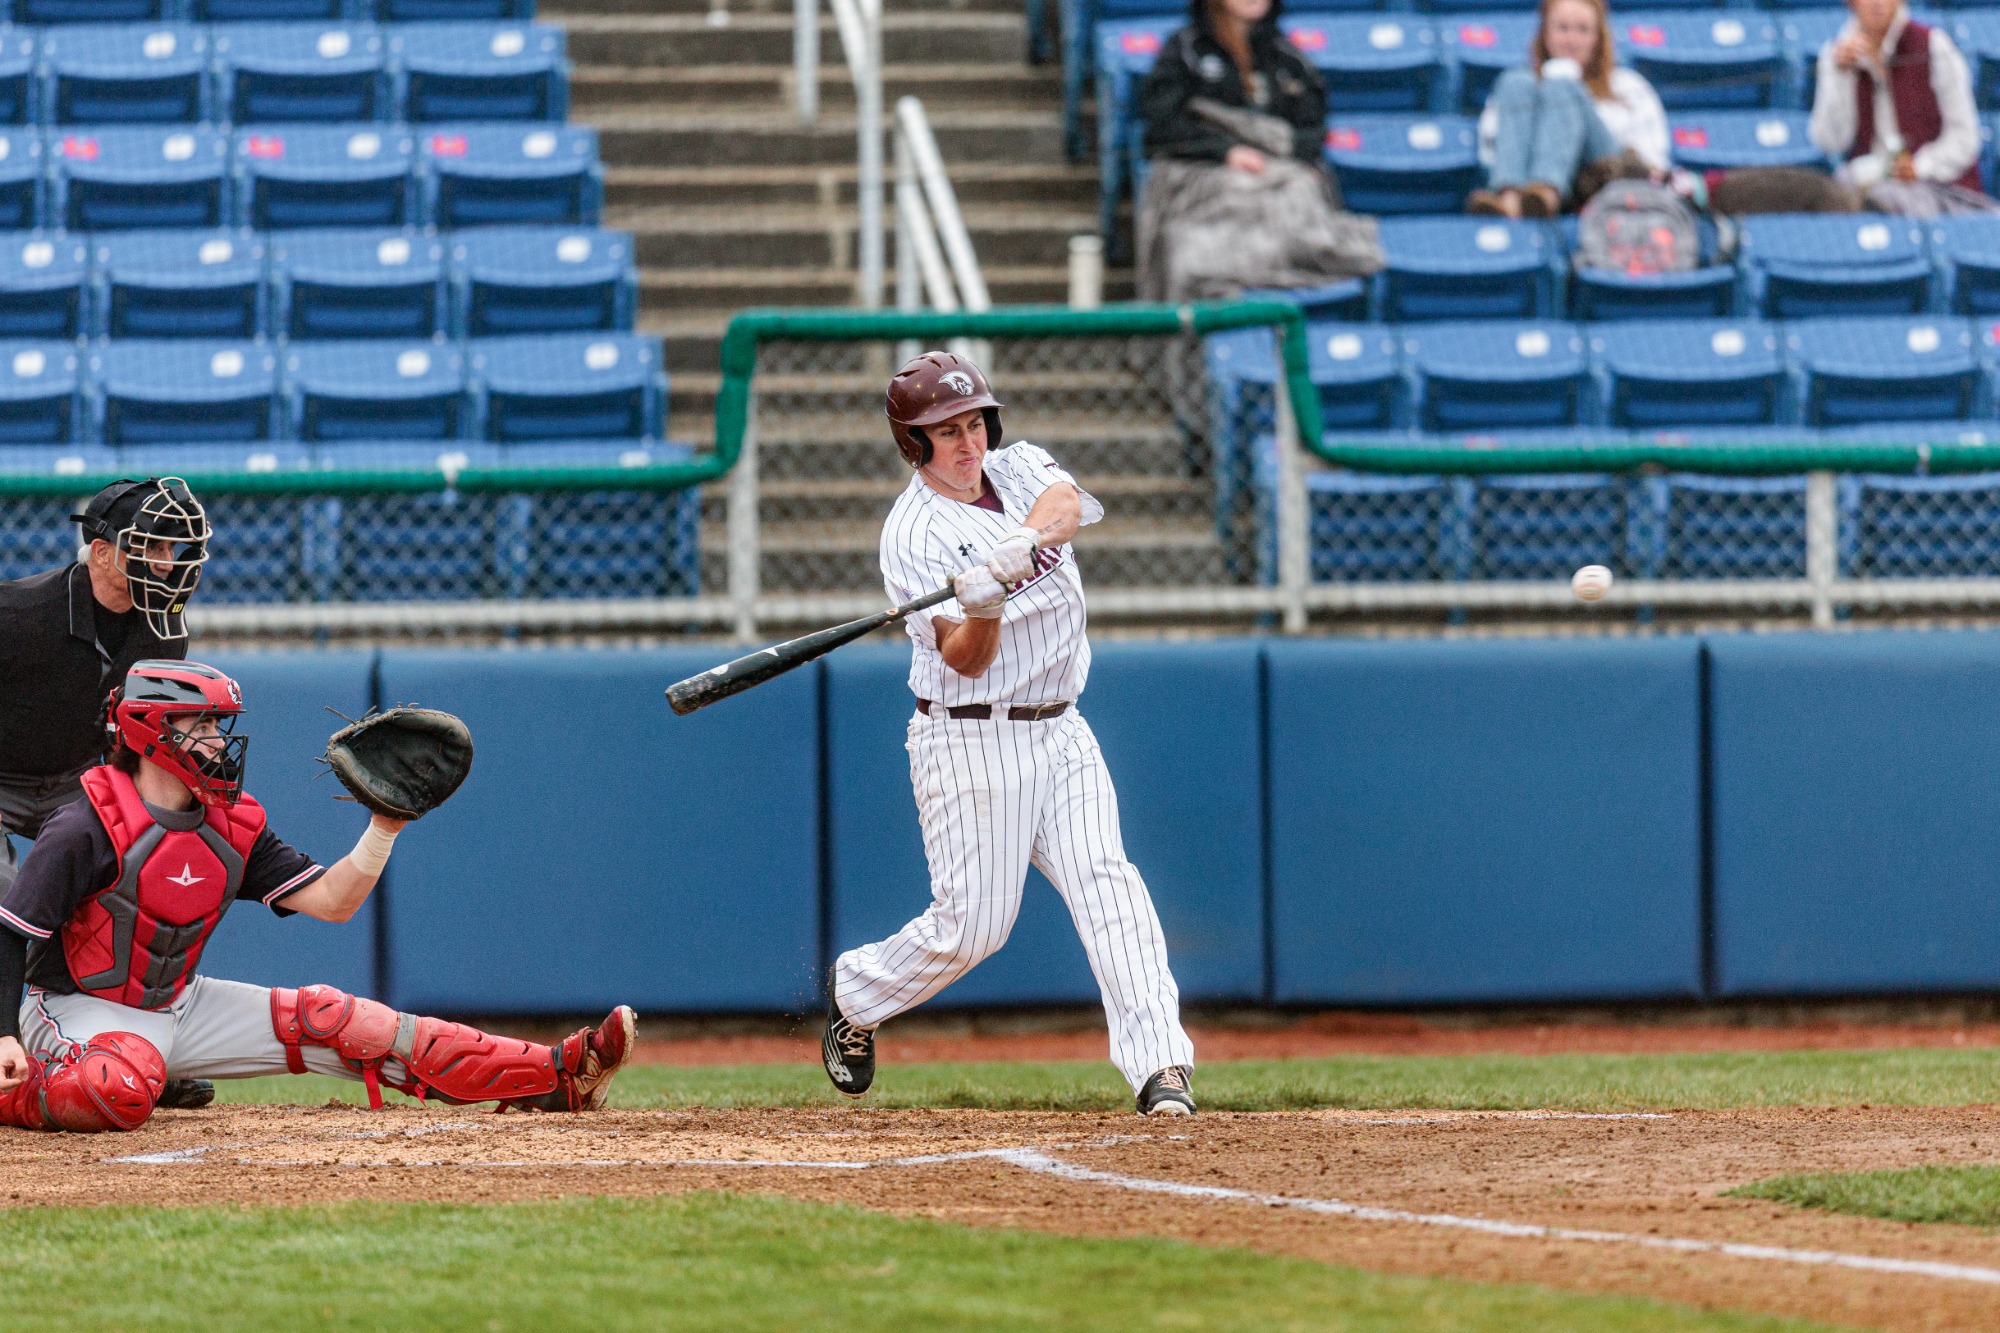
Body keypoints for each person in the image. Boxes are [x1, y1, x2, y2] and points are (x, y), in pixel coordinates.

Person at [0, 659, 635, 1132]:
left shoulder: (231, 823)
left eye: (220, 726)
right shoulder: (85, 824)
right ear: (151, 731)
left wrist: (383, 829)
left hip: (177, 1005)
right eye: (203, 726)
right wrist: (4, 1036)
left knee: (343, 1020)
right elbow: (11, 936)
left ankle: (557, 1075)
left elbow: (334, 901)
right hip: (73, 1007)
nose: (220, 743)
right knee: (119, 1086)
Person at [819, 352, 1198, 1118]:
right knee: (974, 930)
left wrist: (1017, 546)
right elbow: (963, 659)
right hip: (971, 741)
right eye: (945, 432)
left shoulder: (1019, 466)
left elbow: (1064, 505)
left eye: (972, 424)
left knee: (1110, 885)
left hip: (1062, 727)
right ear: (913, 444)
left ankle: (1161, 1068)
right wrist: (985, 605)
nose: (967, 443)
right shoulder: (910, 536)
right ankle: (856, 995)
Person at [0, 476, 219, 1113]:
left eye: (173, 550)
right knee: (4, 893)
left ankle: (122, 1055)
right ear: (101, 552)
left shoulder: (165, 628)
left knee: (127, 884)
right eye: (151, 548)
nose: (167, 564)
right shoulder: (19, 612)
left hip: (75, 775)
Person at [1135, 0, 1381, 302]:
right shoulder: (1184, 50)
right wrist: (1226, 151)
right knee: (1227, 202)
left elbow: (1310, 130)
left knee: (1299, 189)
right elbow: (1164, 125)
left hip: (1277, 171)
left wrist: (1276, 153)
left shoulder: (1288, 57)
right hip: (1203, 173)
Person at [1468, 0, 1669, 218]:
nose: (1571, 40)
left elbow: (1653, 161)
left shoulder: (1629, 85)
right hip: (1530, 185)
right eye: (1562, 28)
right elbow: (1490, 151)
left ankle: (1547, 193)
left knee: (1562, 85)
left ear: (1599, 37)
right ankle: (1512, 199)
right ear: (1544, 33)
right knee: (1515, 80)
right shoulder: (1519, 86)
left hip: (1605, 182)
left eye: (1583, 29)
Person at [1808, 0, 1987, 214]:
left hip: (1939, 190)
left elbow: (1965, 137)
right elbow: (1830, 142)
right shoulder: (1834, 56)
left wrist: (1920, 167)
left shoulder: (1933, 45)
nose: (1878, 3)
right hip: (1869, 191)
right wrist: (1840, 76)